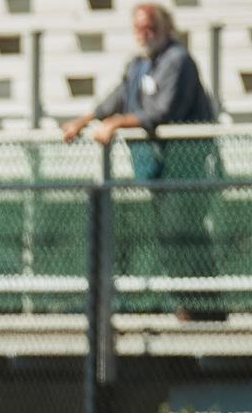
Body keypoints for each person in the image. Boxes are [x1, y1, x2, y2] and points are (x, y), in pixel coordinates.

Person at [61, 3, 225, 321]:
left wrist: (117, 124)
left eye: (150, 27)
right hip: (161, 171)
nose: (144, 34)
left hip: (186, 168)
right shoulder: (138, 64)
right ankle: (194, 307)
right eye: (139, 28)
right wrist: (84, 120)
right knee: (172, 235)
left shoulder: (179, 61)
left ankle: (207, 309)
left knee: (184, 233)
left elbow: (163, 111)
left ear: (166, 28)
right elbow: (117, 97)